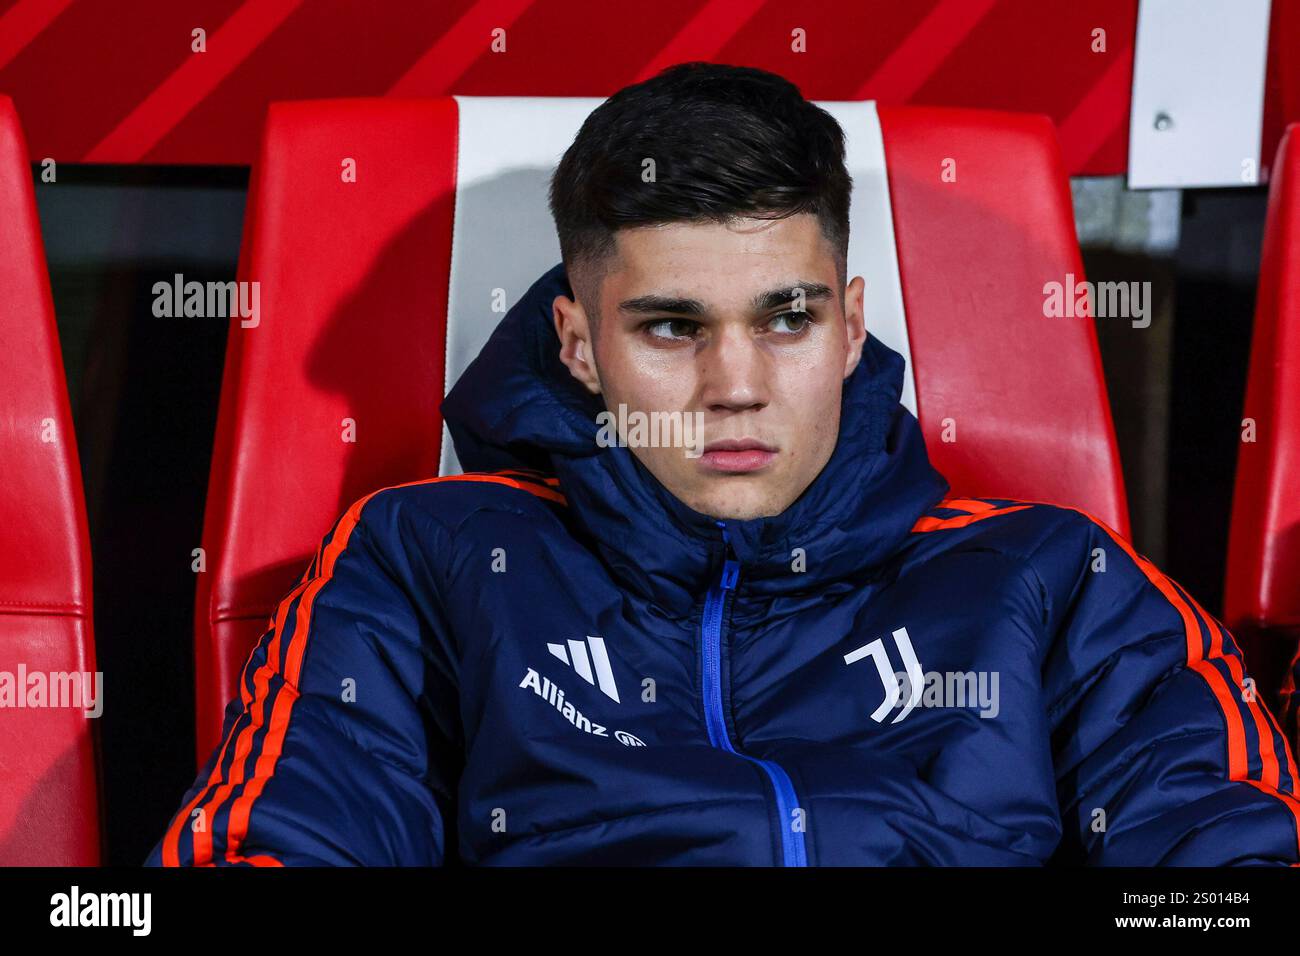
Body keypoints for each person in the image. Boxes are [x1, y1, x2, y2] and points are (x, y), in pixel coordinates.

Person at [146, 62, 1300, 866]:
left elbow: (1219, 855)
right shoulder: (432, 556)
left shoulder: (1048, 576)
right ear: (577, 345)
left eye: (785, 318)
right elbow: (286, 835)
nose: (735, 384)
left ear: (851, 327)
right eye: (670, 327)